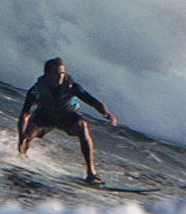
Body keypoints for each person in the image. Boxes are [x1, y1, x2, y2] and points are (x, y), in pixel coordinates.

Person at [17, 56, 116, 184]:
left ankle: (91, 173)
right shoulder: (36, 90)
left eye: (62, 73)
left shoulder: (71, 86)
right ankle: (21, 160)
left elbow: (92, 101)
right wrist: (21, 136)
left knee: (82, 128)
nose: (60, 77)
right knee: (27, 134)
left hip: (67, 115)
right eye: (56, 73)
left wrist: (106, 113)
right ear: (46, 74)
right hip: (45, 115)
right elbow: (24, 115)